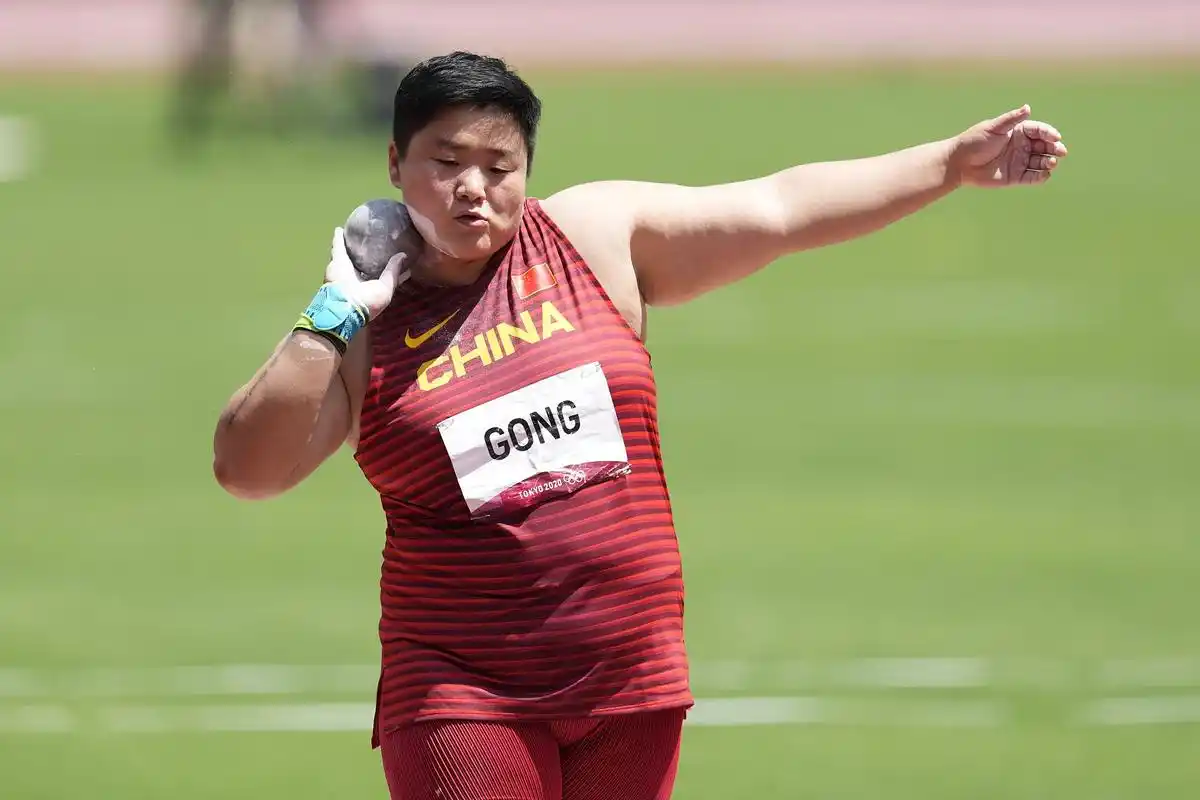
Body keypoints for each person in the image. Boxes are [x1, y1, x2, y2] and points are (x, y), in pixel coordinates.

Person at [212, 51, 1067, 800]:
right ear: (397, 164)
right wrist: (332, 312)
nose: (474, 187)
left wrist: (949, 164)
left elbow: (779, 208)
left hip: (632, 674)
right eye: (447, 161)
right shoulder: (369, 323)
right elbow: (248, 469)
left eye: (500, 165)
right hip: (463, 689)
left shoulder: (592, 237)